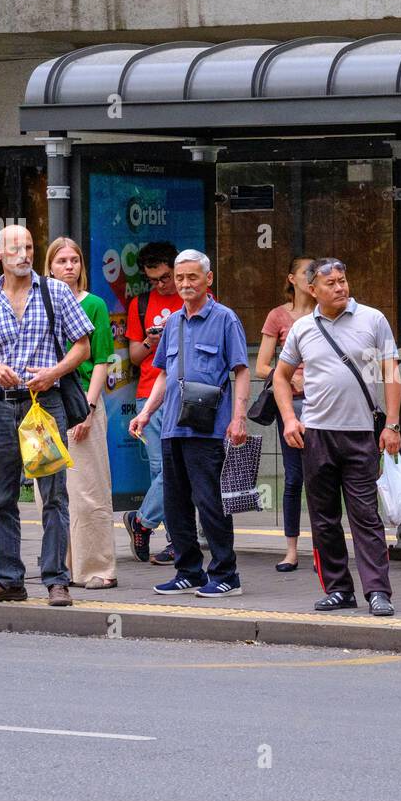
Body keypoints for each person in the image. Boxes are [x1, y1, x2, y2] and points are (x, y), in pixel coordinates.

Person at [0, 224, 93, 607]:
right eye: (16, 247)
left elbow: (82, 347)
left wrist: (55, 372)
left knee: (53, 495)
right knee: (1, 497)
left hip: (42, 407)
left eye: (30, 247)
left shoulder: (55, 292)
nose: (25, 254)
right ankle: (9, 579)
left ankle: (55, 580)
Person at [274, 258, 401, 617]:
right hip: (316, 434)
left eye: (342, 281)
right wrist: (288, 419)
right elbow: (281, 377)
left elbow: (392, 371)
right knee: (323, 518)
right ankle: (338, 589)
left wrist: (392, 424)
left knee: (365, 515)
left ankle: (377, 591)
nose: (340, 288)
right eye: (330, 283)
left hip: (361, 435)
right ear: (312, 290)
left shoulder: (372, 319)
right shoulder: (302, 328)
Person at [129, 250, 251, 598]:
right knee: (175, 502)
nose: (184, 284)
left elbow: (241, 371)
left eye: (191, 277)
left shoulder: (226, 319)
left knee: (209, 500)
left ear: (208, 279)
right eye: (180, 278)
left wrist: (238, 417)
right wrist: (147, 412)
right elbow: (163, 374)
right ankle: (189, 571)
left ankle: (226, 574)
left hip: (208, 426)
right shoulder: (174, 324)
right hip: (171, 425)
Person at [40, 237, 118, 589]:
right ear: (50, 267)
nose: (69, 266)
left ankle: (99, 567)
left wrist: (87, 409)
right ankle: (62, 566)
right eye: (62, 261)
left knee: (90, 491)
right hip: (43, 404)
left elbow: (101, 360)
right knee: (54, 491)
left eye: (74, 260)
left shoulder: (95, 305)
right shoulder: (38, 303)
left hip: (80, 400)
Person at [123, 241, 183, 566]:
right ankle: (175, 540)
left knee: (177, 469)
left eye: (166, 277)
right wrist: (151, 341)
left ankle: (142, 521)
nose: (162, 284)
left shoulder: (193, 297)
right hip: (151, 391)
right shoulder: (141, 304)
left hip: (186, 392)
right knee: (162, 470)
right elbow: (134, 355)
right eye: (154, 279)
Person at [255, 255, 314, 572]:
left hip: (323, 403)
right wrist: (289, 376)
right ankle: (291, 550)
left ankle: (323, 548)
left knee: (322, 478)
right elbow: (262, 365)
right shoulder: (278, 316)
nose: (312, 277)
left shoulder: (326, 312)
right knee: (294, 478)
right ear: (292, 278)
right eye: (307, 272)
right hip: (290, 404)